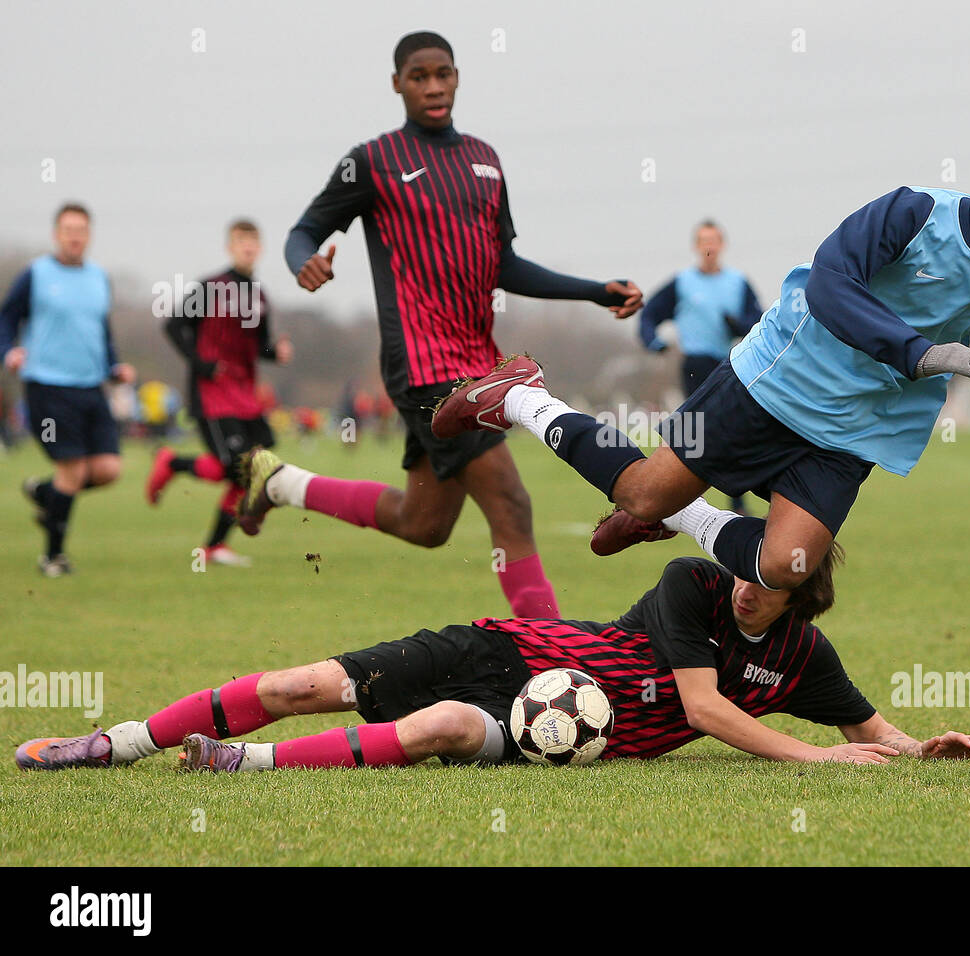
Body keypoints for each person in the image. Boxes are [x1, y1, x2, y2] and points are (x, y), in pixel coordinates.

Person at [433, 131, 970, 592]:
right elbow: (831, 284)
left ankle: (686, 518)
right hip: (776, 382)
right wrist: (920, 352)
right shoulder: (914, 214)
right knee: (641, 492)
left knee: (786, 567)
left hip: (859, 426)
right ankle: (521, 396)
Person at [240, 30, 643, 618]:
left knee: (424, 523)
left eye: (443, 74)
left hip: (480, 363)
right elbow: (305, 229)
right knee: (512, 504)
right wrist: (302, 260)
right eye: (419, 76)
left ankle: (279, 483)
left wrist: (591, 291)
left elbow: (501, 265)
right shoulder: (372, 161)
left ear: (457, 77)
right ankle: (553, 664)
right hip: (425, 365)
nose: (433, 86)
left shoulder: (485, 159)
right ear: (397, 83)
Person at [16, 550, 970, 772]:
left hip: (544, 731)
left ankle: (240, 763)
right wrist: (812, 760)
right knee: (295, 684)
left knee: (441, 729)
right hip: (502, 649)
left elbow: (866, 725)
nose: (747, 583)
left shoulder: (801, 654)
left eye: (770, 576)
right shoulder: (690, 582)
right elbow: (700, 708)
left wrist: (917, 750)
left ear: (806, 583)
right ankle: (116, 741)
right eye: (745, 561)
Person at [0, 203, 136, 577]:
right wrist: (8, 350)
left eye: (81, 230)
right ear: (56, 235)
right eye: (68, 229)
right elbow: (7, 316)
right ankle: (52, 557)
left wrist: (114, 367)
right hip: (48, 384)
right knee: (72, 469)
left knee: (108, 469)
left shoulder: (98, 278)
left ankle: (48, 494)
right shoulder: (37, 274)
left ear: (88, 235)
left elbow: (100, 331)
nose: (75, 236)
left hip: (91, 386)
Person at [145, 220, 292, 566]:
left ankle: (214, 547)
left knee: (256, 466)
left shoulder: (259, 296)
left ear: (261, 248)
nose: (248, 248)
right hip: (212, 393)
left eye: (254, 242)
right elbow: (174, 324)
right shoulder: (211, 287)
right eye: (242, 242)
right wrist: (201, 364)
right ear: (230, 246)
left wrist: (277, 353)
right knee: (238, 467)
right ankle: (172, 462)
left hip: (245, 394)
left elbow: (260, 348)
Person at [639, 219, 763, 513]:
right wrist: (653, 342)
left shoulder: (737, 282)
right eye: (704, 240)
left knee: (733, 428)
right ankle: (676, 495)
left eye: (714, 240)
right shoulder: (682, 282)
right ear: (696, 246)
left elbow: (760, 322)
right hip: (694, 363)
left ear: (722, 245)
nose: (709, 246)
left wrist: (739, 324)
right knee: (695, 431)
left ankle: (737, 502)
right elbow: (649, 315)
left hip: (730, 364)